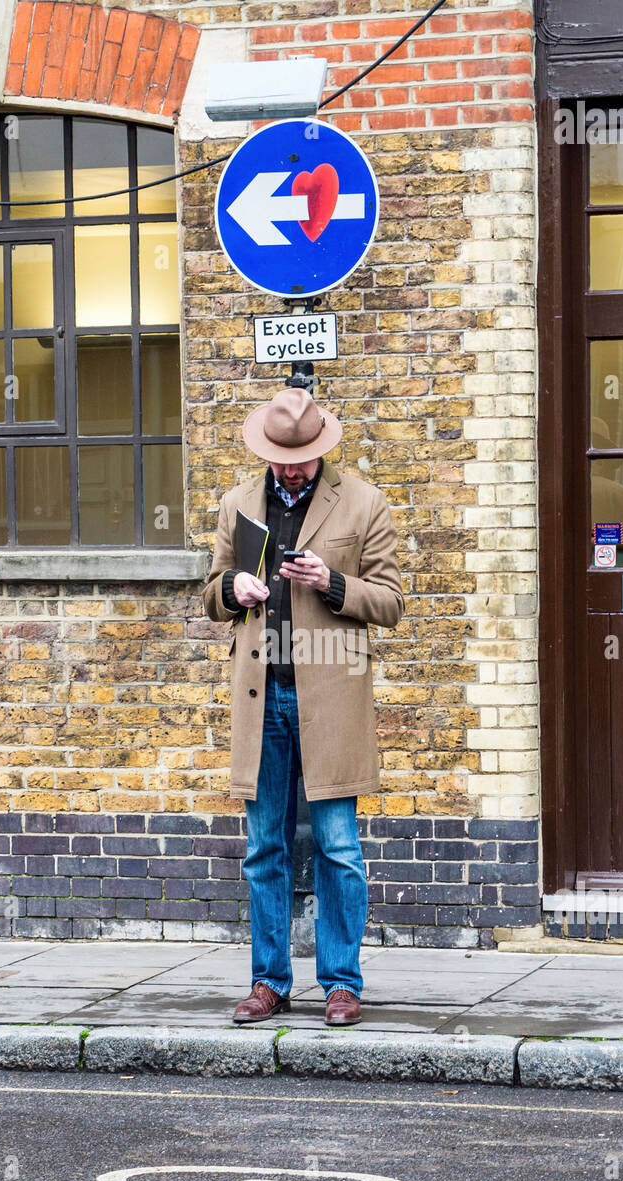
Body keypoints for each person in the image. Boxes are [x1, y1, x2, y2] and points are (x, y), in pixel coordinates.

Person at [203, 387, 404, 1026]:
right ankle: (269, 982)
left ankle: (341, 983)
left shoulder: (365, 502)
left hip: (331, 699)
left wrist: (333, 583)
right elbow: (211, 593)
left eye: (301, 460)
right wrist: (233, 588)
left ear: (321, 451)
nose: (290, 471)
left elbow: (392, 602)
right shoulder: (240, 504)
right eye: (281, 459)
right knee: (266, 847)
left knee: (338, 846)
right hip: (262, 698)